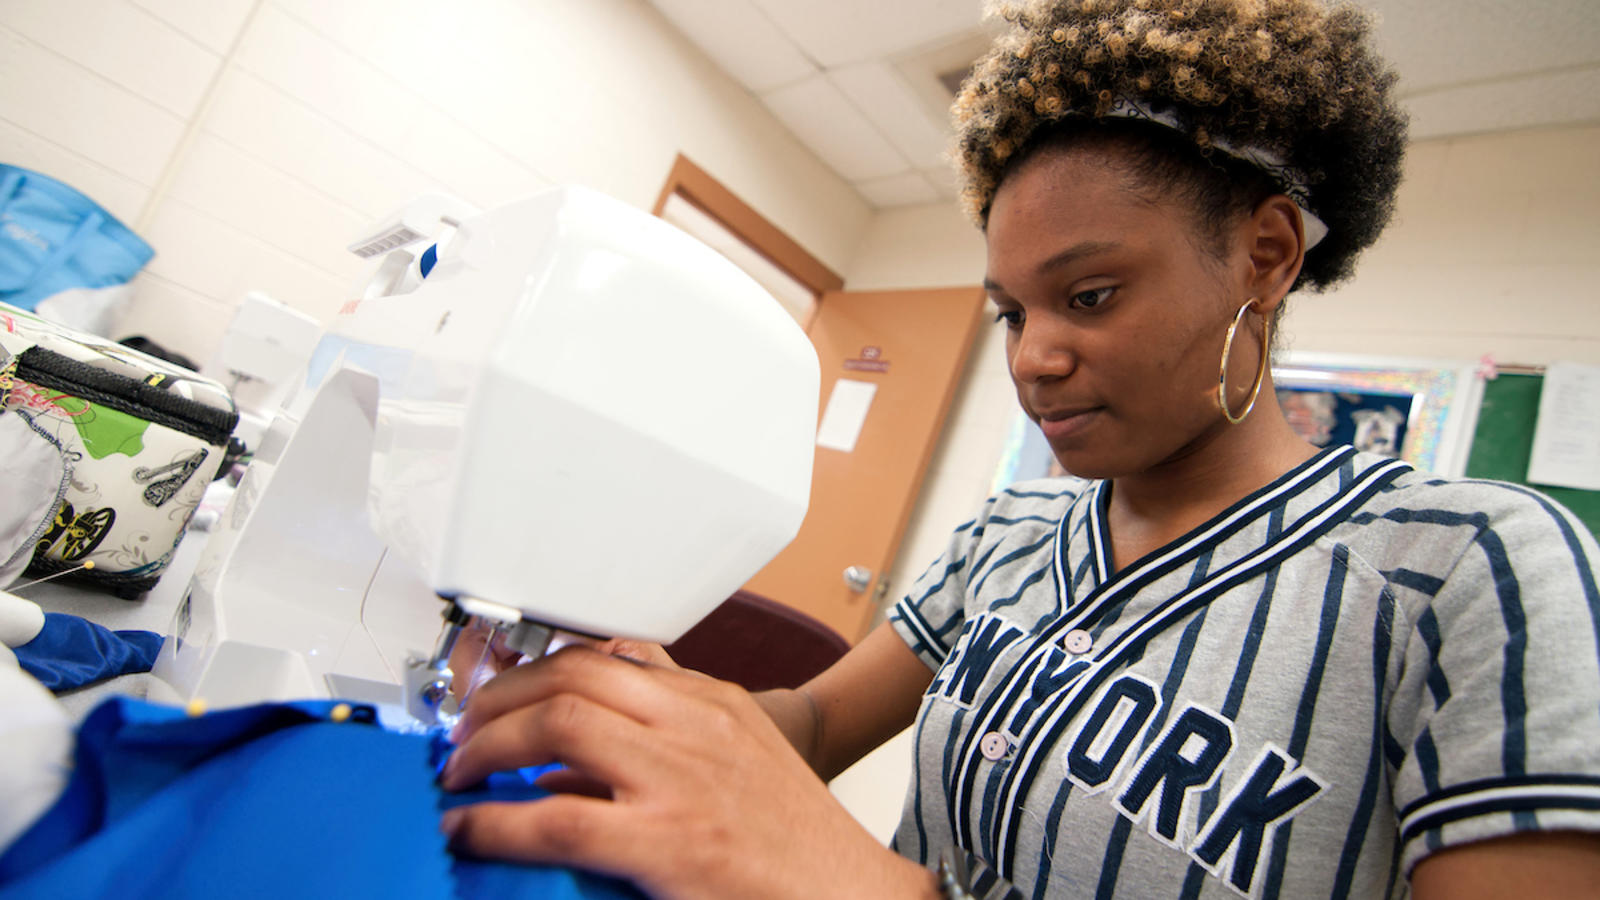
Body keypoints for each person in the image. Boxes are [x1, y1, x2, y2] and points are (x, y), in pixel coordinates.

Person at [436, 0, 1600, 896]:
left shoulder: (1467, 572)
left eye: (1088, 295)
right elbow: (817, 725)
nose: (1032, 357)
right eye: (1011, 313)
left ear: (1266, 254)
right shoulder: (1012, 534)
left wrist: (859, 882)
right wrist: (647, 692)